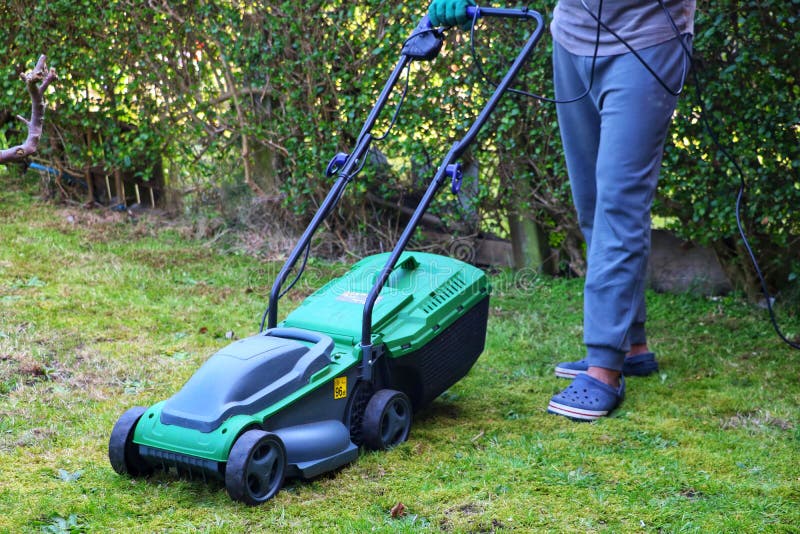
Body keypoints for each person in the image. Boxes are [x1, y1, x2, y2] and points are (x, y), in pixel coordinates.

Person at [427, 0, 696, 421]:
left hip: (646, 39)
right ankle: (632, 345)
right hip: (573, 38)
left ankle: (604, 368)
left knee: (619, 205)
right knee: (591, 202)